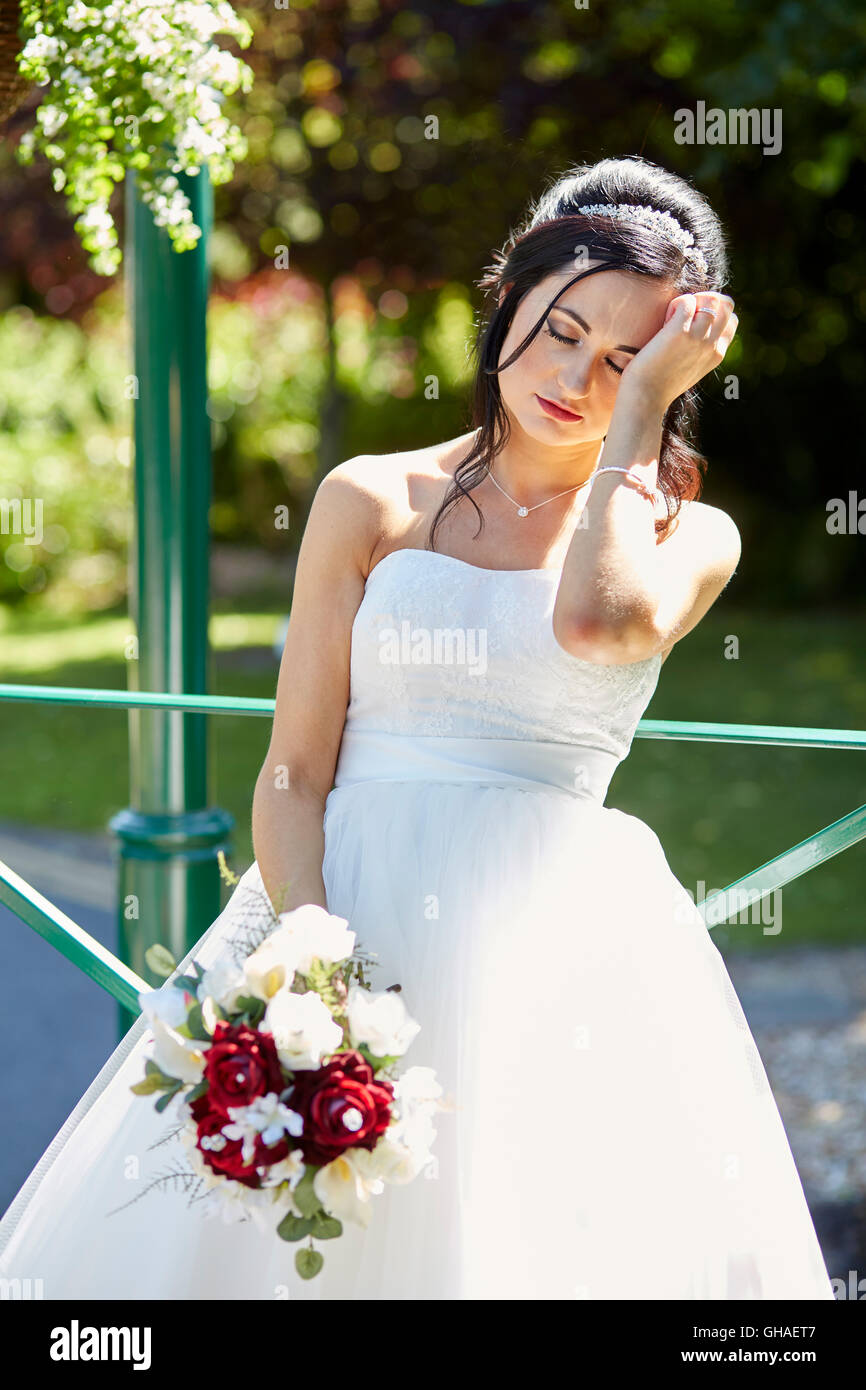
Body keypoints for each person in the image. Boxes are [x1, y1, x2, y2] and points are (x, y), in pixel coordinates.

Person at [0, 156, 835, 1300]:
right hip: (342, 911)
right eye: (557, 331)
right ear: (507, 307)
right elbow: (294, 772)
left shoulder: (690, 536)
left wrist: (636, 425)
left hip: (558, 952)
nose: (573, 378)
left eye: (621, 363)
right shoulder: (367, 498)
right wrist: (306, 960)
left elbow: (595, 625)